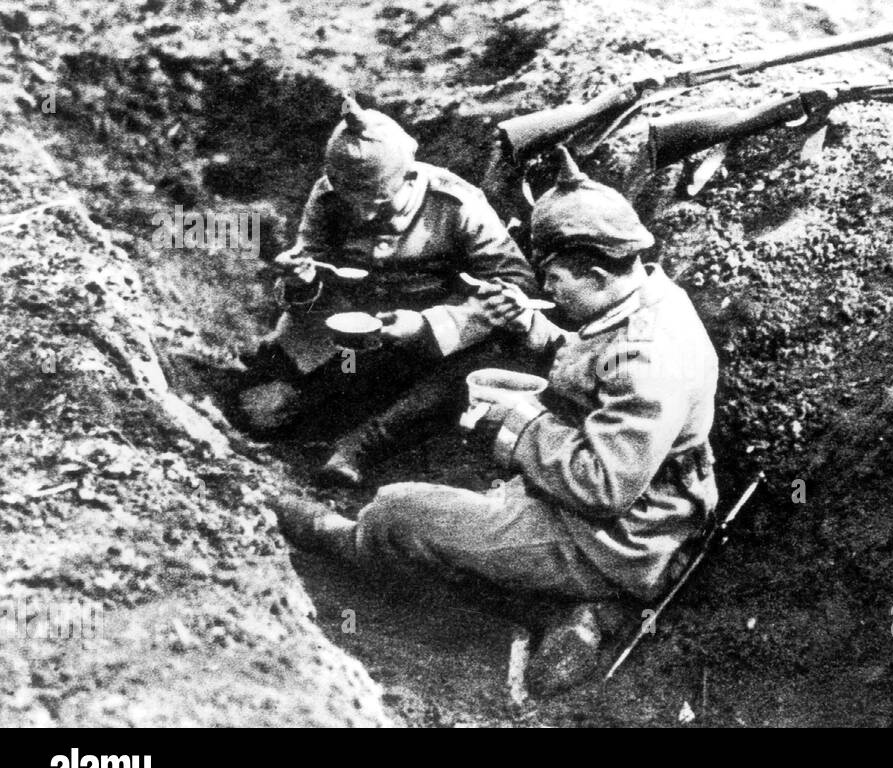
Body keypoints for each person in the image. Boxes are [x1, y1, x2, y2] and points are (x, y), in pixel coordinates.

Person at [271, 149, 719, 691]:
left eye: (554, 280)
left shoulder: (650, 359)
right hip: (614, 504)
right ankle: (577, 610)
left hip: (616, 535)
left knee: (399, 511)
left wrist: (518, 426)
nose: (546, 290)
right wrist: (534, 326)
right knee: (463, 505)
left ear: (598, 273)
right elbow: (597, 363)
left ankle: (350, 538)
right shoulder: (649, 300)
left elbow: (603, 487)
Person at [238, 92, 541, 486]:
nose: (363, 214)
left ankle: (365, 443)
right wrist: (301, 280)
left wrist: (429, 325)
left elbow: (516, 285)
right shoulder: (329, 196)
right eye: (352, 201)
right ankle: (311, 390)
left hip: (433, 341)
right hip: (354, 334)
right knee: (267, 412)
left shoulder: (456, 204)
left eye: (379, 202)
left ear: (410, 176)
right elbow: (313, 279)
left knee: (467, 375)